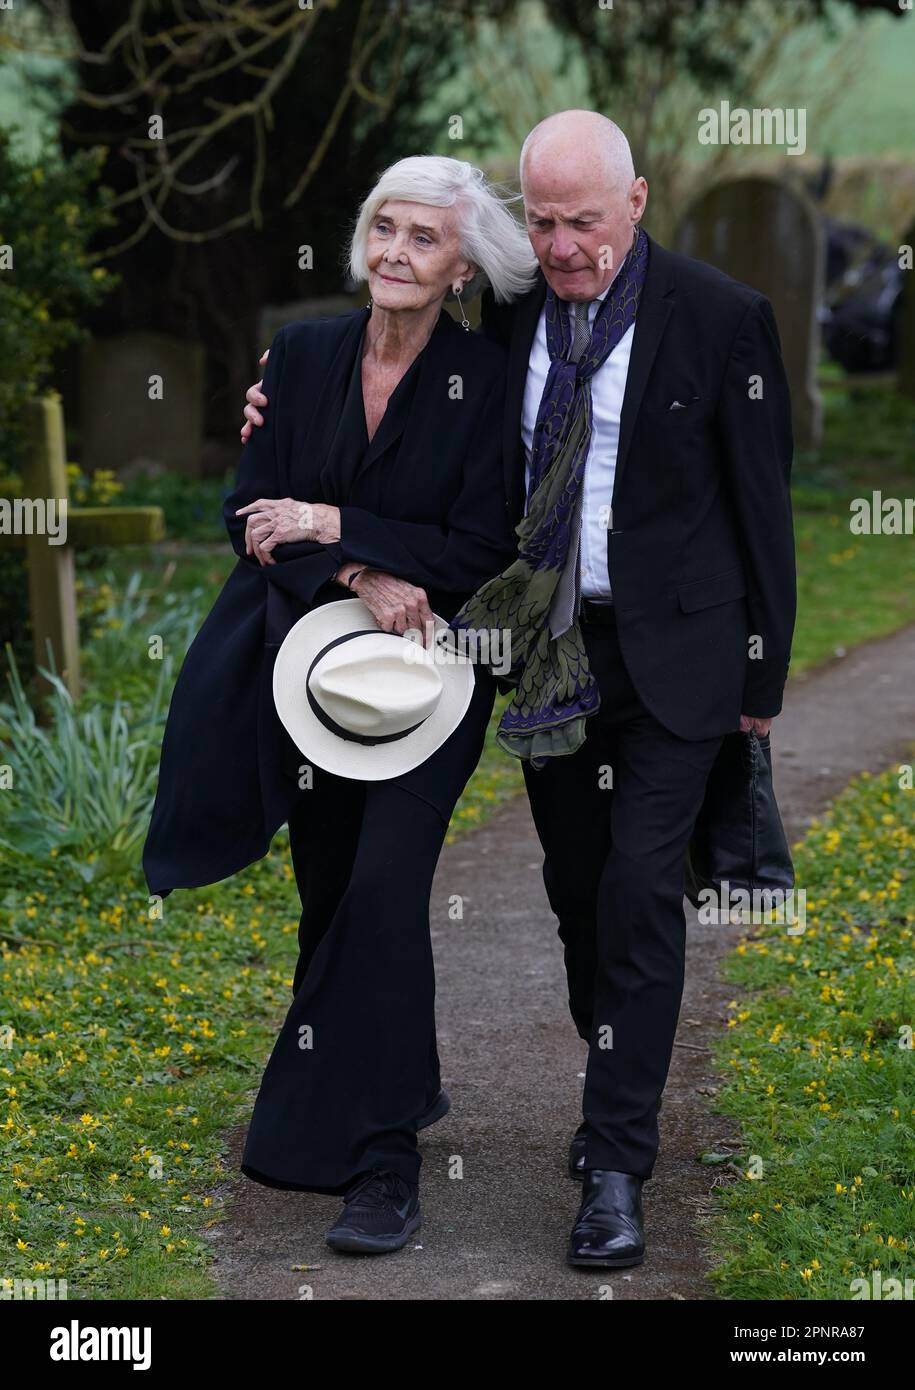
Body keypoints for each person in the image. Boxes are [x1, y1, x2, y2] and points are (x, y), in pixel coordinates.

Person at [242, 112, 797, 1271]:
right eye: (541, 224)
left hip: (679, 661)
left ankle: (613, 1166)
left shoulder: (721, 317)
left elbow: (763, 506)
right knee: (584, 898)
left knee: (645, 890)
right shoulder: (509, 316)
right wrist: (273, 411)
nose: (563, 246)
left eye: (583, 222)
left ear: (635, 202)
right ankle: (613, 1082)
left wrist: (763, 676)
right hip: (548, 660)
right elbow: (407, 386)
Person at [144, 154, 536, 1254]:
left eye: (423, 238)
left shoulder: (482, 381)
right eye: (384, 230)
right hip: (305, 666)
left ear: (462, 265)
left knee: (380, 886)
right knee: (329, 888)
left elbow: (475, 548)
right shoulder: (306, 356)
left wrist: (327, 520)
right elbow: (246, 516)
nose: (396, 254)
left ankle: (382, 1160)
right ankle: (337, 1116)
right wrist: (353, 563)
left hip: (432, 676)